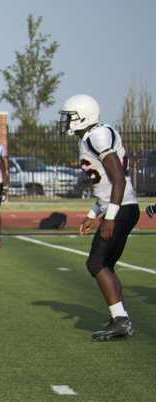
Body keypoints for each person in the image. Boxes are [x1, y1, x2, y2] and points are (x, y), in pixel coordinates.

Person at [59, 94, 143, 341]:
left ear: (83, 117)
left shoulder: (97, 136)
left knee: (96, 263)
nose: (66, 121)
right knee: (105, 265)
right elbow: (105, 186)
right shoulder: (91, 137)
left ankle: (120, 320)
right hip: (119, 207)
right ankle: (120, 316)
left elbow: (118, 180)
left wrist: (110, 217)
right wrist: (92, 213)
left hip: (121, 208)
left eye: (70, 117)